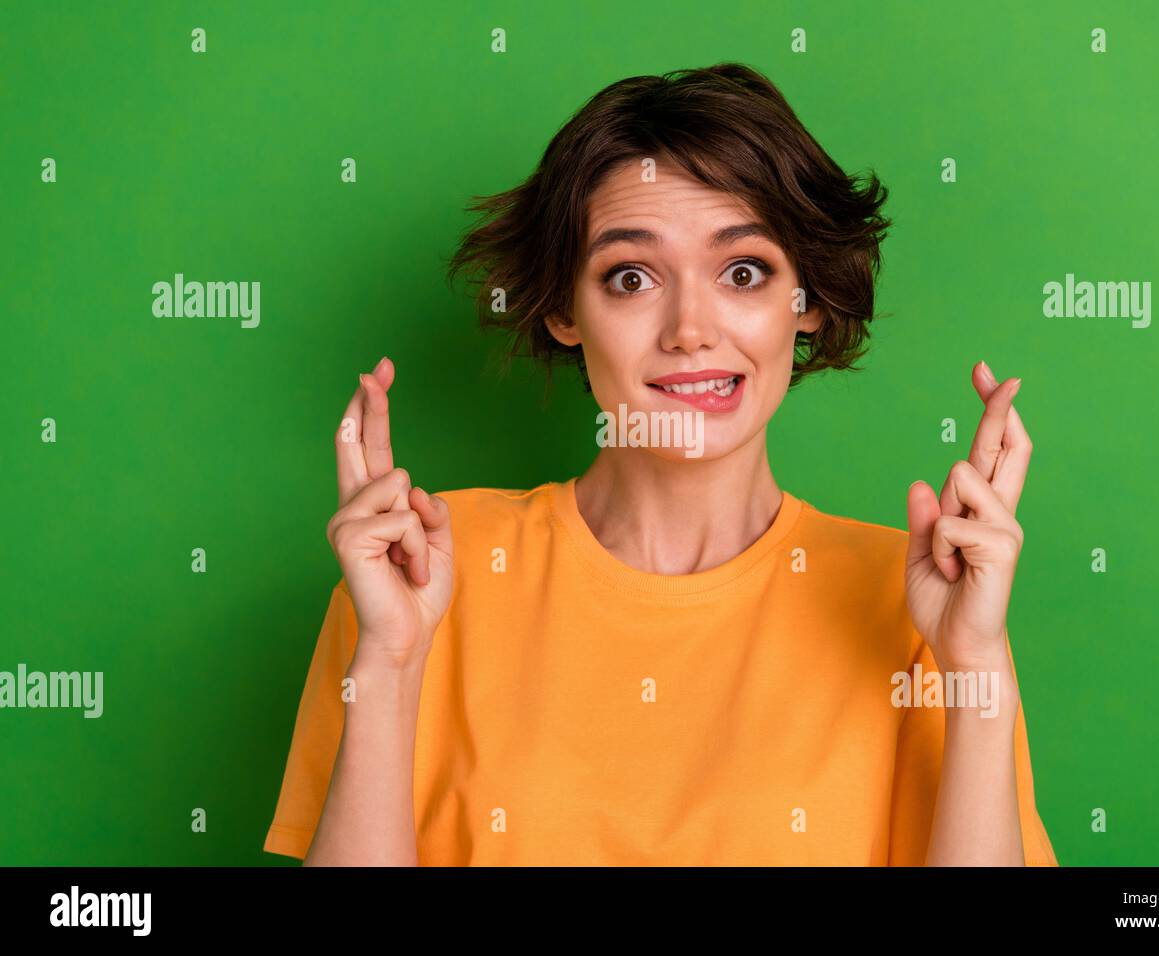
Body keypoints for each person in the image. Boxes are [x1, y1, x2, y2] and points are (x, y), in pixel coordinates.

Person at [263, 62, 1057, 866]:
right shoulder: (422, 572)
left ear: (807, 299)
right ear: (565, 310)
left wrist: (975, 667)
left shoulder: (918, 603)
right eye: (631, 277)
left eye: (743, 272)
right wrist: (392, 660)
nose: (689, 330)